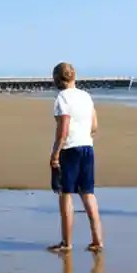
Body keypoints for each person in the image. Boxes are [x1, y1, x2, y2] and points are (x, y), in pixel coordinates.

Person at [48, 62, 104, 253]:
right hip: (87, 147)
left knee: (66, 195)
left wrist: (55, 153)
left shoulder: (62, 98)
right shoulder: (86, 96)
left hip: (70, 149)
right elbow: (95, 125)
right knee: (88, 193)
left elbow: (63, 129)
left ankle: (67, 242)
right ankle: (97, 239)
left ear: (57, 78)